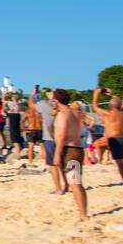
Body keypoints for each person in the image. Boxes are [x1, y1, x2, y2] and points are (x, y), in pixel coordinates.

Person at [52, 89, 88, 220]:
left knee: (75, 183)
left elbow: (61, 135)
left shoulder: (63, 114)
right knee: (77, 182)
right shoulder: (77, 113)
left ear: (56, 100)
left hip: (69, 150)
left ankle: (83, 214)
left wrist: (56, 154)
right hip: (78, 148)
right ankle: (83, 212)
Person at [31, 88, 62, 193]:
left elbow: (31, 104)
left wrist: (33, 94)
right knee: (63, 164)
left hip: (50, 138)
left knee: (53, 165)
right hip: (62, 138)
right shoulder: (61, 107)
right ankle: (66, 185)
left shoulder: (45, 106)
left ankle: (58, 188)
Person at [92, 88, 123, 183]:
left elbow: (95, 107)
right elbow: (120, 103)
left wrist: (96, 95)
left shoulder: (107, 114)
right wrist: (112, 95)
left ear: (110, 105)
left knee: (120, 164)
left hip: (114, 140)